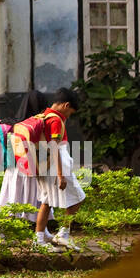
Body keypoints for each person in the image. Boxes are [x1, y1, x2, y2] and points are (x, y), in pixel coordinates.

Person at [32, 87, 86, 251]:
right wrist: (61, 175)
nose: (69, 115)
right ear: (66, 105)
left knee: (46, 202)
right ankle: (63, 233)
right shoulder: (55, 120)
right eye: (70, 111)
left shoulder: (43, 115)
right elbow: (54, 146)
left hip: (43, 164)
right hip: (56, 165)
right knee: (79, 197)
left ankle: (39, 240)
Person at [0, 90, 52, 231]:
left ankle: (0, 232)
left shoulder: (11, 123)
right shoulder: (38, 124)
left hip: (13, 169)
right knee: (40, 201)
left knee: (11, 199)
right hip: (32, 169)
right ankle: (41, 233)